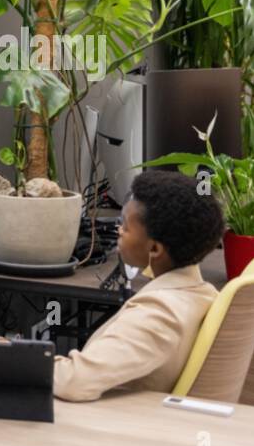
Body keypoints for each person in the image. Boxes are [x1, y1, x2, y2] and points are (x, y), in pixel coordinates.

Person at [55, 169, 225, 402]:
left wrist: (15, 355)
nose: (118, 231)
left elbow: (75, 381)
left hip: (112, 426)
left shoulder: (159, 313)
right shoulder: (203, 293)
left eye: (125, 226)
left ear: (154, 249)